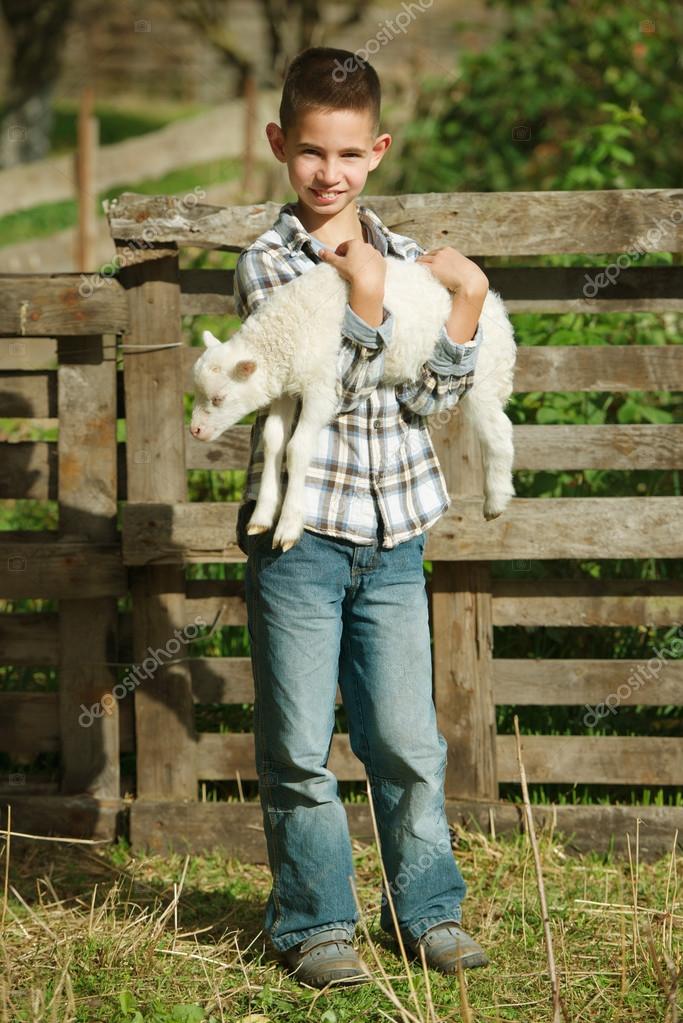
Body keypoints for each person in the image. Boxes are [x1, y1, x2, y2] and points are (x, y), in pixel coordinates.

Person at [233, 46, 490, 988]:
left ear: (376, 150)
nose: (327, 174)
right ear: (278, 145)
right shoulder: (267, 265)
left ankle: (428, 911)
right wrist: (365, 305)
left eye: (345, 154)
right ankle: (314, 922)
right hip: (298, 540)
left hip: (392, 541)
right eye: (308, 152)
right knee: (300, 746)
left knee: (406, 740)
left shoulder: (409, 261)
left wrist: (458, 307)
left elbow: (428, 403)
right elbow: (312, 396)